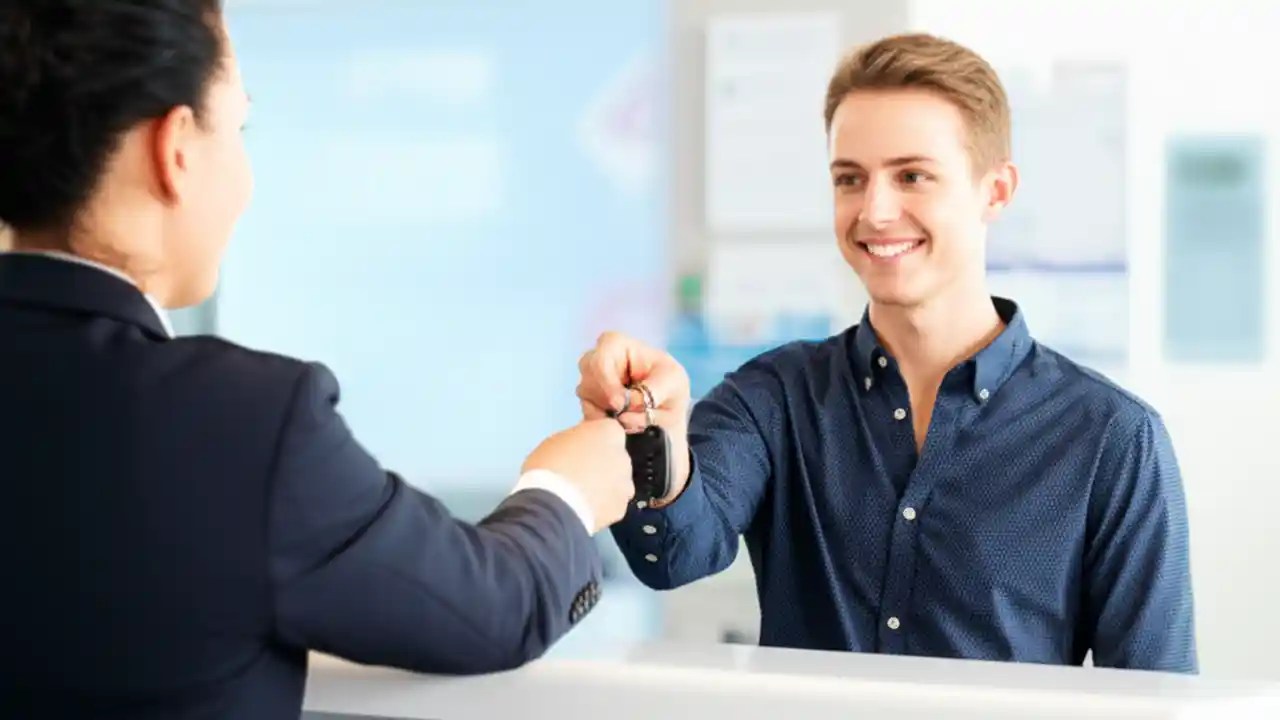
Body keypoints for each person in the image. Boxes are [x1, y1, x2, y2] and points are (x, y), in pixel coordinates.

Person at [0, 2, 636, 718]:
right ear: (174, 149)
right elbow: (494, 605)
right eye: (239, 127)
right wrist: (571, 485)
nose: (244, 177)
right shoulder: (242, 425)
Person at [577, 33, 1196, 673]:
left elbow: (1154, 696)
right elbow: (675, 555)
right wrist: (651, 435)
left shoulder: (1114, 440)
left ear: (997, 191)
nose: (874, 211)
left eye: (912, 176)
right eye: (850, 179)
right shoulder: (775, 397)